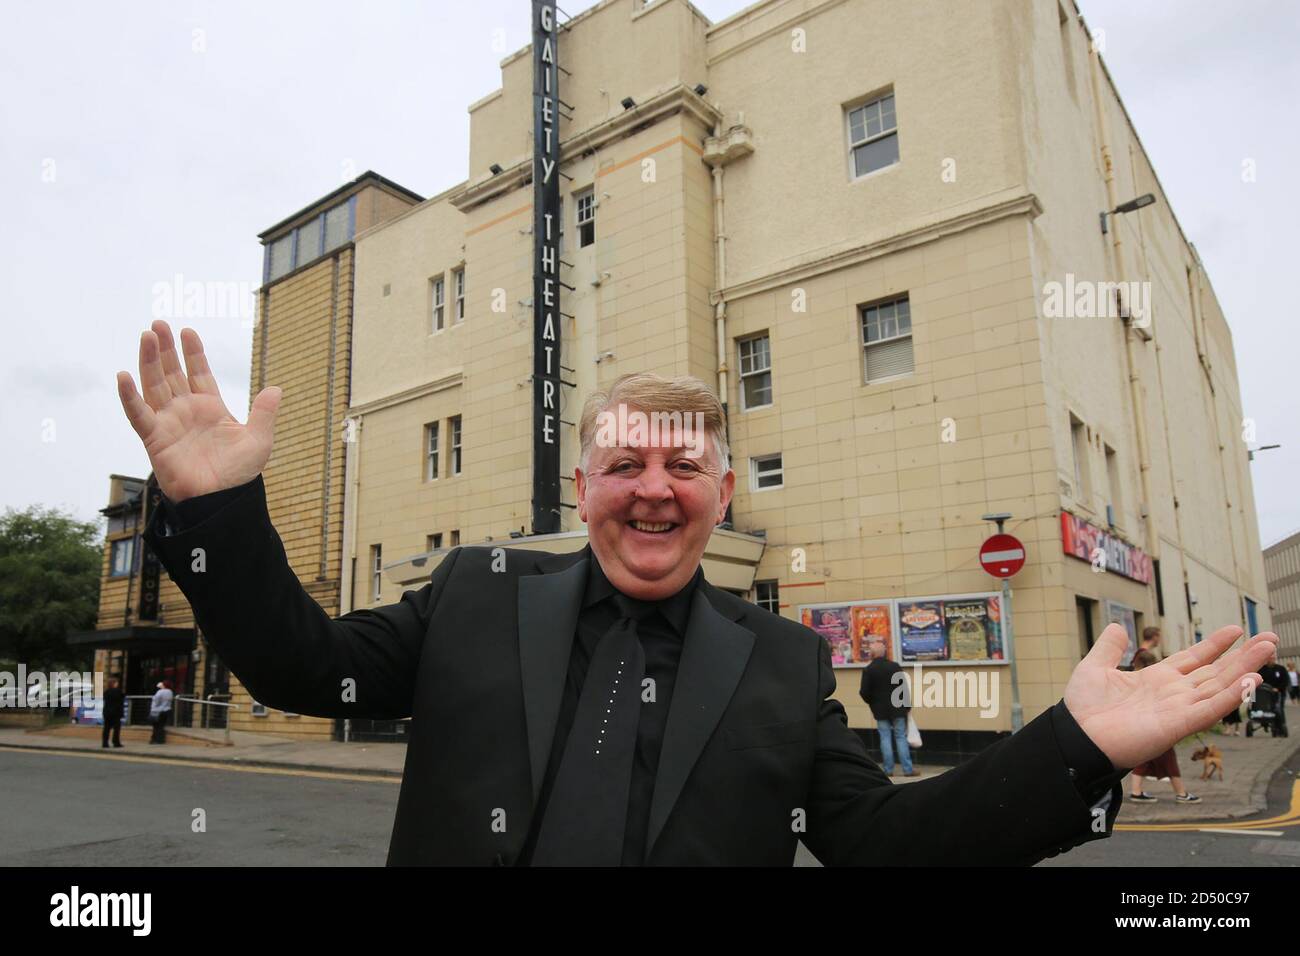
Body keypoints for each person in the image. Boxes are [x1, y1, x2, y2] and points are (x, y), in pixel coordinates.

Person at [116, 320, 1281, 865]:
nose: (654, 489)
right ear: (583, 482)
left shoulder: (779, 660)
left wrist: (1076, 745)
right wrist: (216, 516)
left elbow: (892, 847)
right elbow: (297, 665)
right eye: (625, 463)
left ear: (721, 489)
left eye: (683, 465)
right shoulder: (474, 590)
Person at [1126, 649, 1199, 804]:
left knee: (1144, 759)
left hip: (1139, 724)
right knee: (1168, 758)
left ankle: (1136, 791)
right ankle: (1181, 793)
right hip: (1156, 723)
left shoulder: (1131, 678)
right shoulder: (1153, 679)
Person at [858, 641, 918, 777]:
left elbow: (864, 692)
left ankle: (888, 770)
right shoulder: (894, 667)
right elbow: (903, 688)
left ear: (872, 654)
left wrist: (873, 703)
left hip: (880, 710)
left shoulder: (869, 670)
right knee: (900, 737)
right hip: (898, 708)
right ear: (884, 653)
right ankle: (908, 770)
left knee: (885, 738)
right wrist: (907, 705)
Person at [1259, 660, 1290, 737]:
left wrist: (1278, 688)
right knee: (1265, 709)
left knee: (1278, 709)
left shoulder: (1280, 669)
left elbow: (1285, 681)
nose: (1270, 661)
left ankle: (1281, 727)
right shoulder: (1262, 670)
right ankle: (1266, 723)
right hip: (1265, 694)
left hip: (1278, 693)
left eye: (1272, 659)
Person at [101, 676, 125, 749]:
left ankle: (105, 743)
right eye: (116, 683)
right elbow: (121, 699)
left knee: (106, 728)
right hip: (115, 713)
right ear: (114, 683)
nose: (117, 684)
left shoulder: (106, 692)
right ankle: (116, 742)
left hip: (107, 712)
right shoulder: (118, 691)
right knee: (116, 728)